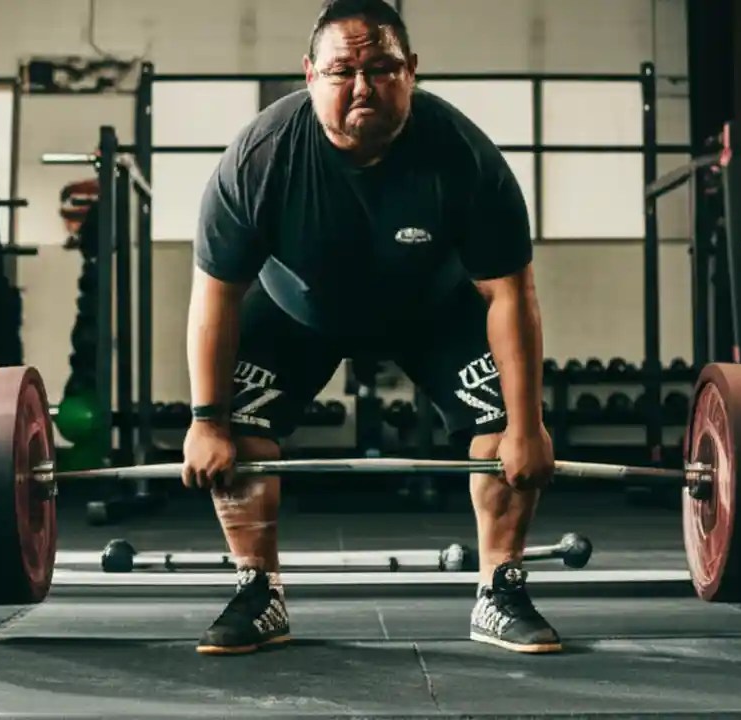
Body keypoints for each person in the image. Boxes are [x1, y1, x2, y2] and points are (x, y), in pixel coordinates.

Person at [184, 0, 559, 656]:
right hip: (297, 313)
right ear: (308, 75)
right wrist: (207, 420)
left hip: (434, 315)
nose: (362, 86)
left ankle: (501, 586)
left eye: (382, 68)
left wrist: (527, 425)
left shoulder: (463, 155)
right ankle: (257, 591)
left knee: (503, 434)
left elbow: (510, 294)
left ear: (411, 70)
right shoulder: (261, 159)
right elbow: (216, 296)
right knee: (239, 434)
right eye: (342, 71)